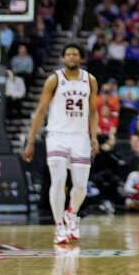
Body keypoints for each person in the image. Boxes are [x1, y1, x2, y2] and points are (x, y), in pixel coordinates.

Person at [23, 44, 100, 245]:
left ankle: (71, 214)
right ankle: (59, 226)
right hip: (57, 135)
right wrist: (31, 141)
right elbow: (41, 111)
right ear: (63, 58)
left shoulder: (90, 80)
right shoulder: (54, 80)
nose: (72, 57)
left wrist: (94, 137)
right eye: (68, 54)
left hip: (80, 136)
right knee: (58, 181)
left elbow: (93, 111)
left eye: (75, 54)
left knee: (81, 186)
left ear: (81, 58)